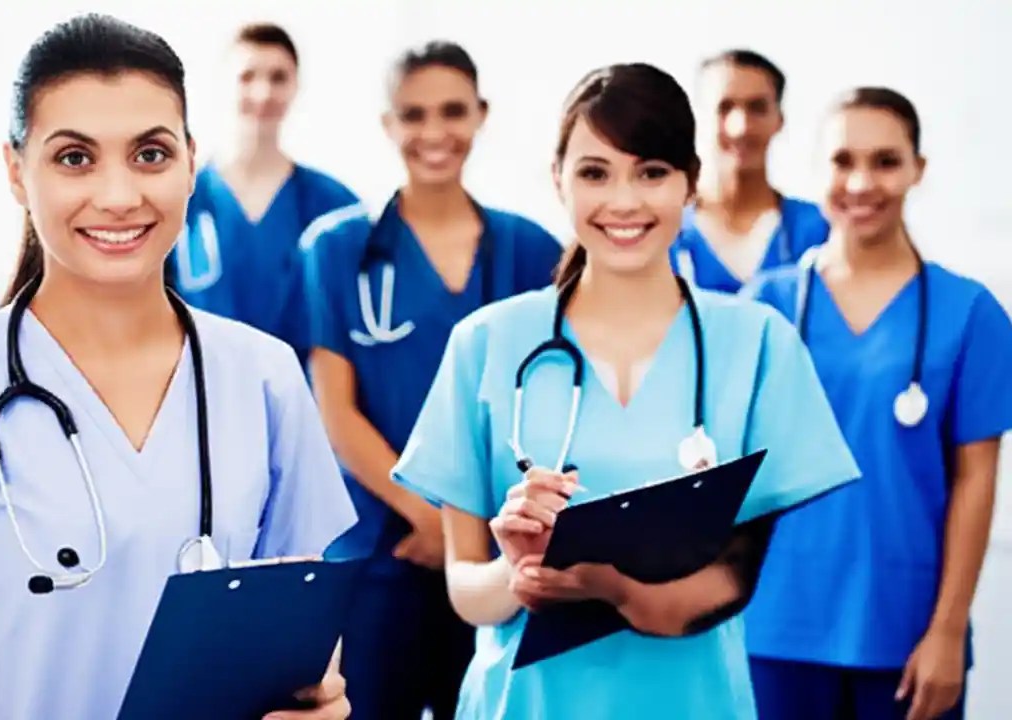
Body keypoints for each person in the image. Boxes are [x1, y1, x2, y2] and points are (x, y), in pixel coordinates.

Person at [0, 14, 355, 719]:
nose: (117, 195)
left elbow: (302, 656)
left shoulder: (264, 380)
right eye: (75, 157)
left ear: (192, 162)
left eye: (150, 154)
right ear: (16, 171)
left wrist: (320, 705)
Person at [388, 63, 862, 719]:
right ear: (558, 179)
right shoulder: (485, 344)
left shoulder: (757, 344)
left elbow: (730, 580)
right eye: (594, 172)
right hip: (525, 704)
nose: (624, 201)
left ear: (691, 182)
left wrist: (601, 583)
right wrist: (517, 570)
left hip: (691, 702)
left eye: (651, 172)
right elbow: (468, 591)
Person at [303, 40, 563, 719]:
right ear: (388, 125)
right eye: (413, 115)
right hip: (382, 554)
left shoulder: (531, 249)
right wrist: (439, 521)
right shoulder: (336, 249)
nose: (434, 133)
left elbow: (549, 403)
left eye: (452, 111)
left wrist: (468, 536)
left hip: (501, 556)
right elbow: (337, 413)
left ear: (481, 115)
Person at [742, 88, 1012, 720]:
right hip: (774, 626)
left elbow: (977, 481)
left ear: (918, 168)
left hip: (905, 631)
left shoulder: (970, 312)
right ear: (817, 170)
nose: (862, 182)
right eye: (842, 161)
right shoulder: (764, 306)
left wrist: (948, 630)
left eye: (886, 161)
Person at [167, 22, 360, 363]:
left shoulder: (332, 206)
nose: (263, 92)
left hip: (303, 404)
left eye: (278, 78)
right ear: (223, 84)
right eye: (247, 76)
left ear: (296, 86)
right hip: (198, 400)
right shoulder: (179, 200)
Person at [671, 49, 828, 293]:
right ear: (696, 118)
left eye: (757, 108)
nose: (741, 128)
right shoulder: (663, 230)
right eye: (724, 108)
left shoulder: (820, 228)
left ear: (779, 119)